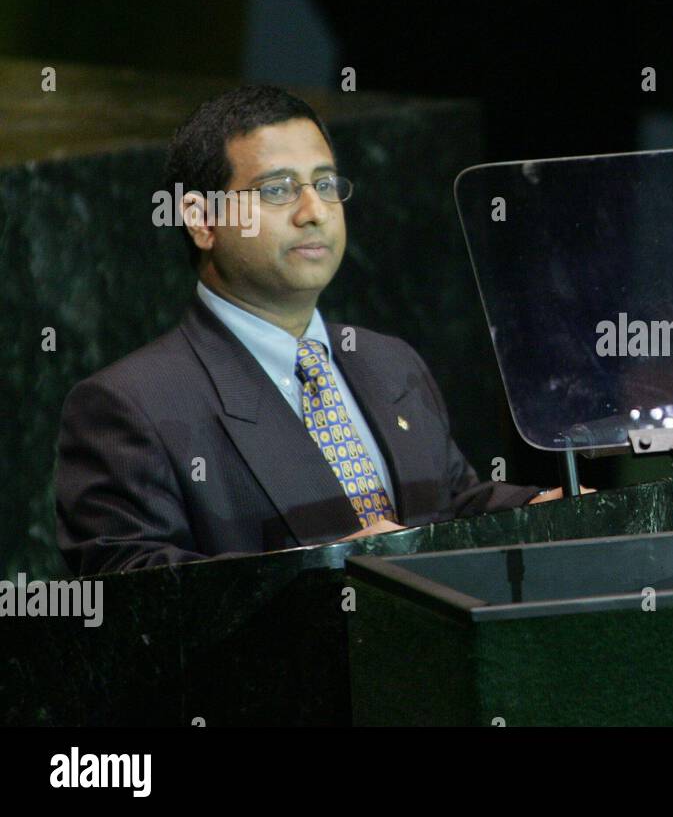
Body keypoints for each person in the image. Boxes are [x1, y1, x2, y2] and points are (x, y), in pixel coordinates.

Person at [55, 86, 578, 576]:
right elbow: (137, 601)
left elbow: (449, 504)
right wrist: (329, 564)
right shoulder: (129, 405)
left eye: (325, 184)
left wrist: (540, 510)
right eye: (278, 189)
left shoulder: (389, 361)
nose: (315, 212)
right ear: (201, 219)